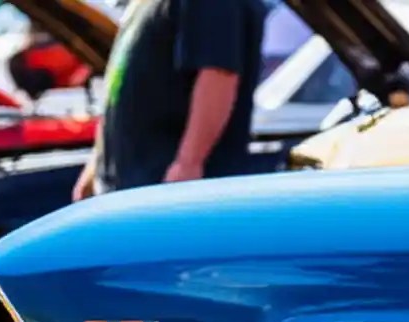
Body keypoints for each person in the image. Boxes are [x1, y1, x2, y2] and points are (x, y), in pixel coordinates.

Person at [73, 0, 267, 200]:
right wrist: (95, 167)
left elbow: (218, 74)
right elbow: (120, 87)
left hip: (170, 193)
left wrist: (188, 163)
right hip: (132, 190)